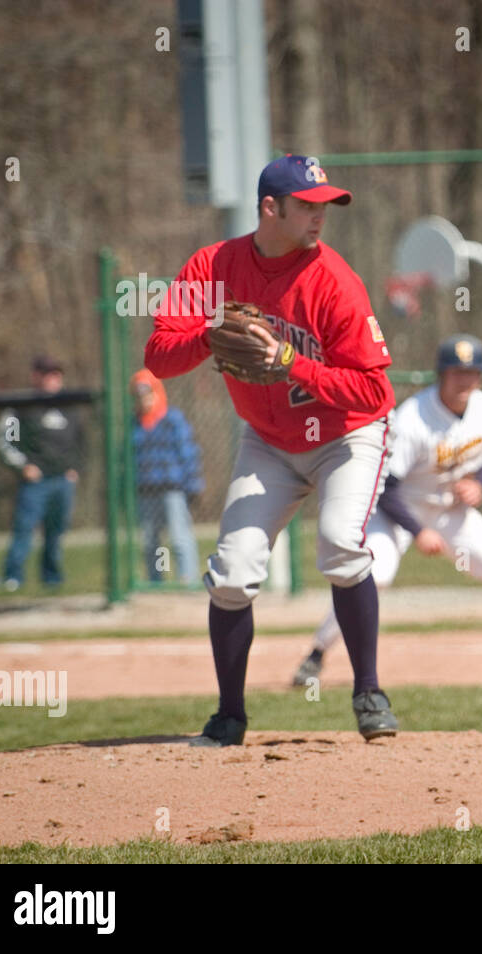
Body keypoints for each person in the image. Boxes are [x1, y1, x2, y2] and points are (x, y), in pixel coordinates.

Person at [145, 155, 398, 746]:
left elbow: (374, 389)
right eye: (308, 206)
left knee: (340, 543)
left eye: (326, 206)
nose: (320, 217)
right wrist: (208, 334)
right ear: (270, 208)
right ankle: (229, 716)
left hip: (346, 435)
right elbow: (159, 355)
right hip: (269, 441)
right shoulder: (215, 266)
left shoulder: (335, 280)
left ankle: (368, 690)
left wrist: (291, 361)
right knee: (231, 574)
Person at [291, 334, 482, 686]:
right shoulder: (413, 419)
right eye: (456, 372)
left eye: (472, 373)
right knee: (371, 578)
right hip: (396, 510)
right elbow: (387, 487)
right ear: (441, 375)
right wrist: (418, 530)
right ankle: (315, 655)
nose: (464, 380)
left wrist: (478, 483)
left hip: (449, 510)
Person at [0, 355, 83, 590]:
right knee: (24, 529)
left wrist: (75, 469)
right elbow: (6, 442)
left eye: (56, 374)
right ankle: (13, 577)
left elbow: (81, 442)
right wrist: (23, 466)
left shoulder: (70, 407)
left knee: (56, 532)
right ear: (36, 376)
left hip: (63, 480)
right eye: (47, 374)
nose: (53, 379)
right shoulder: (22, 407)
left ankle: (52, 578)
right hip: (35, 481)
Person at [131, 369, 203, 584]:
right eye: (139, 396)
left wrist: (193, 485)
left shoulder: (172, 419)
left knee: (179, 536)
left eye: (148, 394)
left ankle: (187, 578)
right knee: (152, 540)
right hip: (146, 489)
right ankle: (157, 580)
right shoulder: (134, 424)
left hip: (173, 488)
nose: (144, 401)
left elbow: (188, 453)